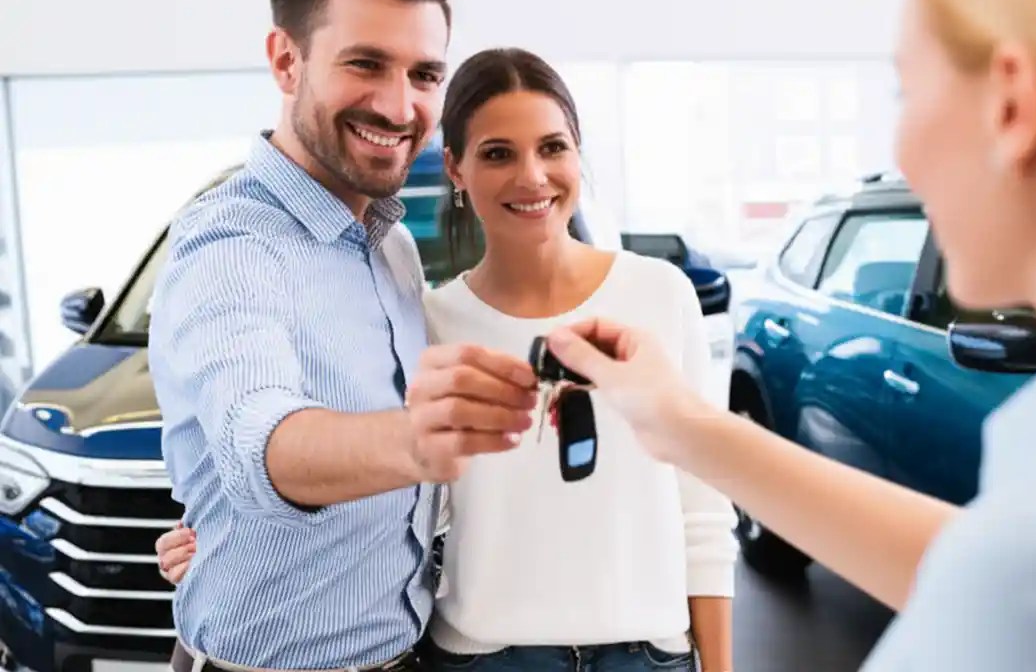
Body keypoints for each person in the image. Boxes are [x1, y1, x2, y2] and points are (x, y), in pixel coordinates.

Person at [539, 0, 1036, 669]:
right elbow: (983, 560)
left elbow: (1022, 584)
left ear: (1013, 106)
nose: (905, 150)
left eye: (906, 89)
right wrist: (684, 425)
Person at [159, 47, 738, 672]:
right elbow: (400, 495)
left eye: (552, 147)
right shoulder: (430, 319)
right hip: (480, 657)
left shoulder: (659, 295)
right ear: (456, 170)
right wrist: (223, 544)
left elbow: (702, 508)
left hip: (649, 657)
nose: (532, 177)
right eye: (497, 154)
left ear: (578, 153)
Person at [147, 0, 538, 670]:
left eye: (424, 74)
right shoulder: (232, 246)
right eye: (365, 64)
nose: (400, 107)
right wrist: (424, 443)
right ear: (286, 60)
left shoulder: (388, 246)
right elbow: (259, 437)